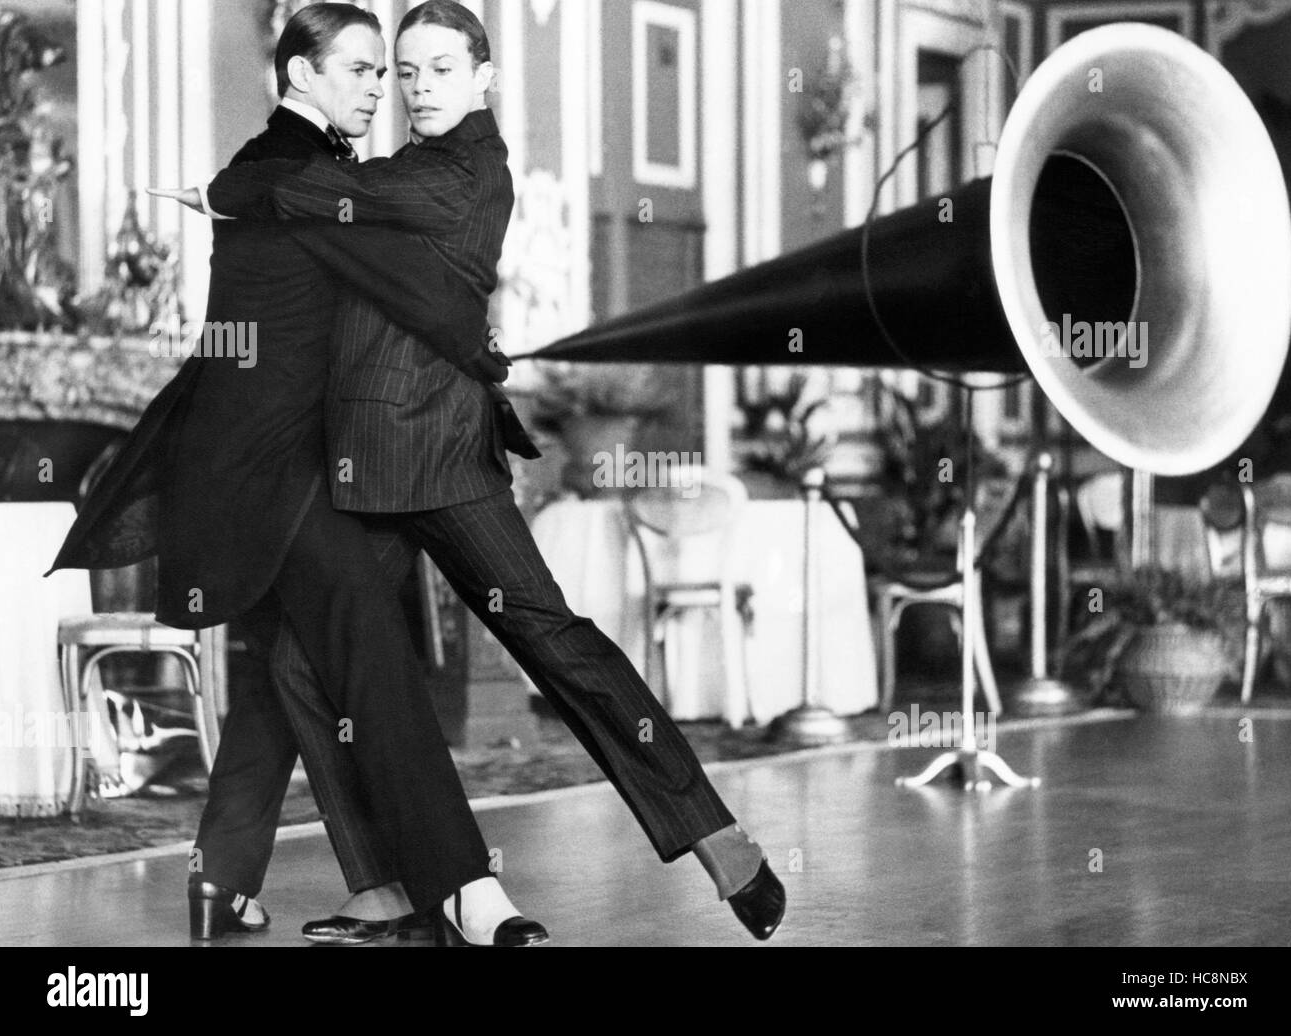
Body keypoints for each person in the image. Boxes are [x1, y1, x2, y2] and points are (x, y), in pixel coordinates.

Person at [166, 0, 786, 943]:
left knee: (553, 638)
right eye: (403, 72)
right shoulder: (386, 168)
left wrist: (229, 192)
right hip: (354, 466)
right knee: (299, 664)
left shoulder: (469, 175)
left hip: (441, 456)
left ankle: (712, 829)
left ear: (485, 75)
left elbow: (320, 201)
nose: (416, 89)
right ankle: (382, 888)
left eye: (438, 69)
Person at [51, 2, 546, 947]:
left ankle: (220, 882)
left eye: (384, 72)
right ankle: (468, 891)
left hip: (249, 473)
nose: (380, 90)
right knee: (375, 664)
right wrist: (487, 360)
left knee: (284, 677)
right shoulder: (301, 175)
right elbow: (426, 301)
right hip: (280, 480)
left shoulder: (279, 169)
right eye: (360, 70)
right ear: (300, 76)